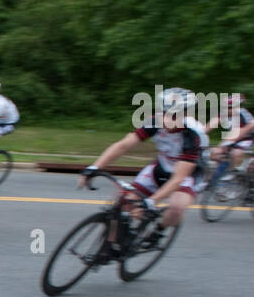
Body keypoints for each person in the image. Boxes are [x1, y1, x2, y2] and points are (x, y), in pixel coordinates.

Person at [80, 88, 203, 249]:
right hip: (160, 167)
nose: (166, 119)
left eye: (173, 115)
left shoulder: (192, 136)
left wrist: (151, 202)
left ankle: (158, 232)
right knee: (124, 202)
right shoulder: (155, 123)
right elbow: (123, 145)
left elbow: (178, 179)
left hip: (185, 175)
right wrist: (95, 167)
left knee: (176, 208)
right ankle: (111, 244)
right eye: (164, 112)